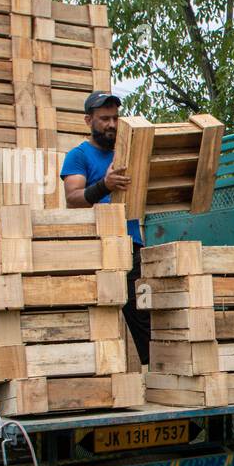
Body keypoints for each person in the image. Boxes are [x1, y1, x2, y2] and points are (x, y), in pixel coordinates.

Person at [61, 91, 150, 364]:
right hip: (97, 248)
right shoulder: (78, 156)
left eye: (115, 118)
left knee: (144, 316)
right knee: (101, 317)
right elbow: (73, 199)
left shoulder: (128, 153)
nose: (111, 124)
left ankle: (153, 379)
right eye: (104, 119)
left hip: (132, 245)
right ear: (89, 120)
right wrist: (105, 185)